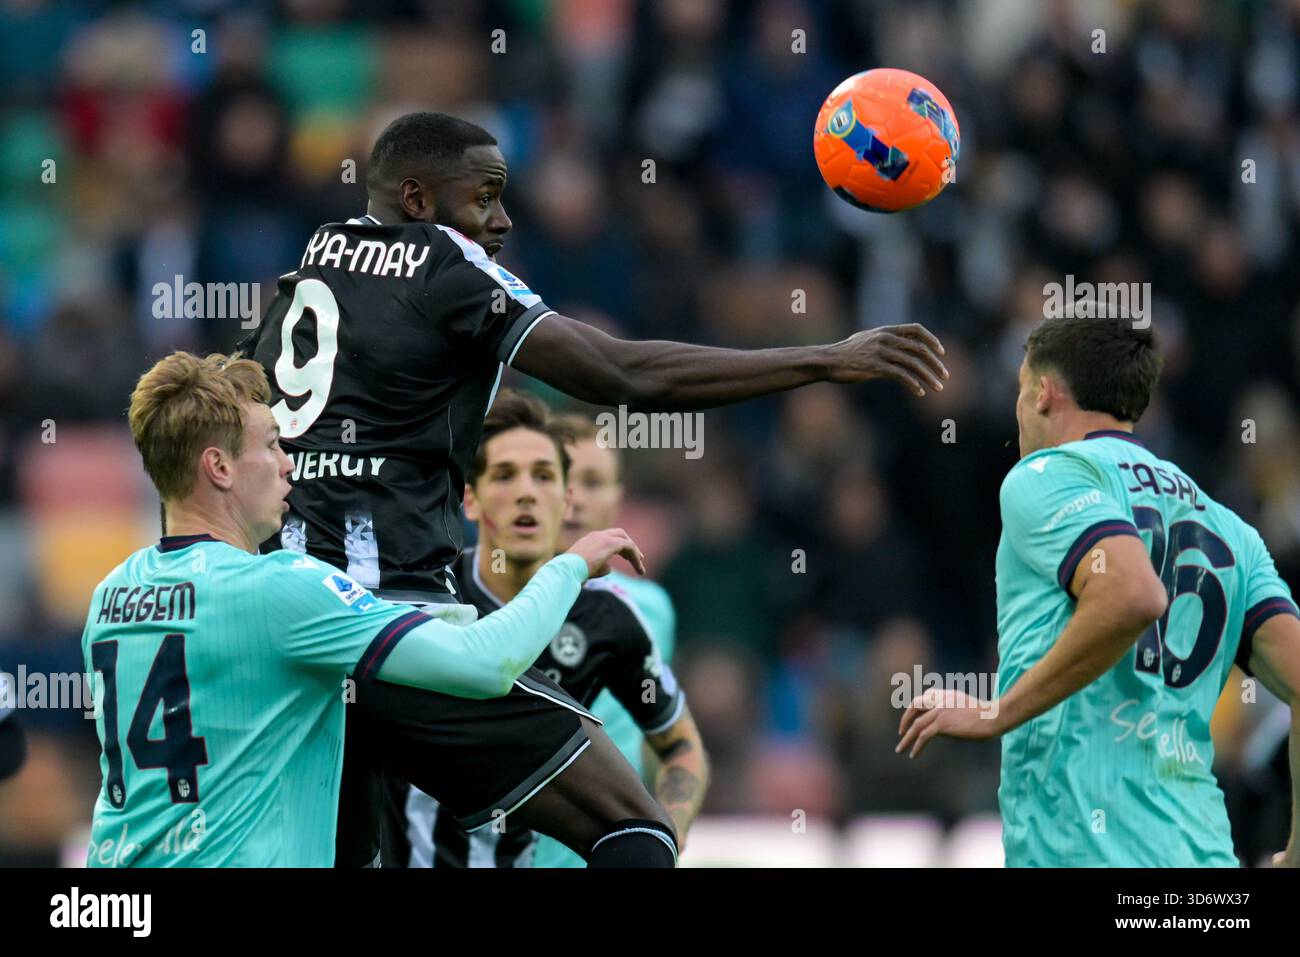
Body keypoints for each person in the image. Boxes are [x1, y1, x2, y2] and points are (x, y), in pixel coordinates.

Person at [237, 111, 947, 867]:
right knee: (632, 829)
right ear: (417, 200)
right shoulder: (444, 263)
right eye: (485, 196)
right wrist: (822, 359)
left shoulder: (298, 278)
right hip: (391, 626)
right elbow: (621, 373)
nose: (503, 219)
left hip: (286, 634)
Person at [80, 352, 643, 867]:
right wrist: (569, 567)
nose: (288, 465)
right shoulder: (278, 589)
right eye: (273, 443)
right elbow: (484, 663)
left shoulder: (110, 594)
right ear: (219, 467)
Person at [897, 316, 1300, 867]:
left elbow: (1133, 594)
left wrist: (998, 712)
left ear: (1043, 392)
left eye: (1020, 389)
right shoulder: (1228, 526)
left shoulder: (1047, 475)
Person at [384, 392, 708, 866]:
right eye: (504, 475)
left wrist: (661, 835)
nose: (526, 493)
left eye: (543, 476)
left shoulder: (607, 618)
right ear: (470, 501)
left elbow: (680, 745)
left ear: (565, 499)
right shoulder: (428, 598)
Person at [531, 411, 680, 868]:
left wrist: (665, 832)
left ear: (618, 499)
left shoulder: (649, 608)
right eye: (562, 478)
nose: (574, 499)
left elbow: (662, 737)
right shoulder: (494, 598)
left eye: (594, 482)